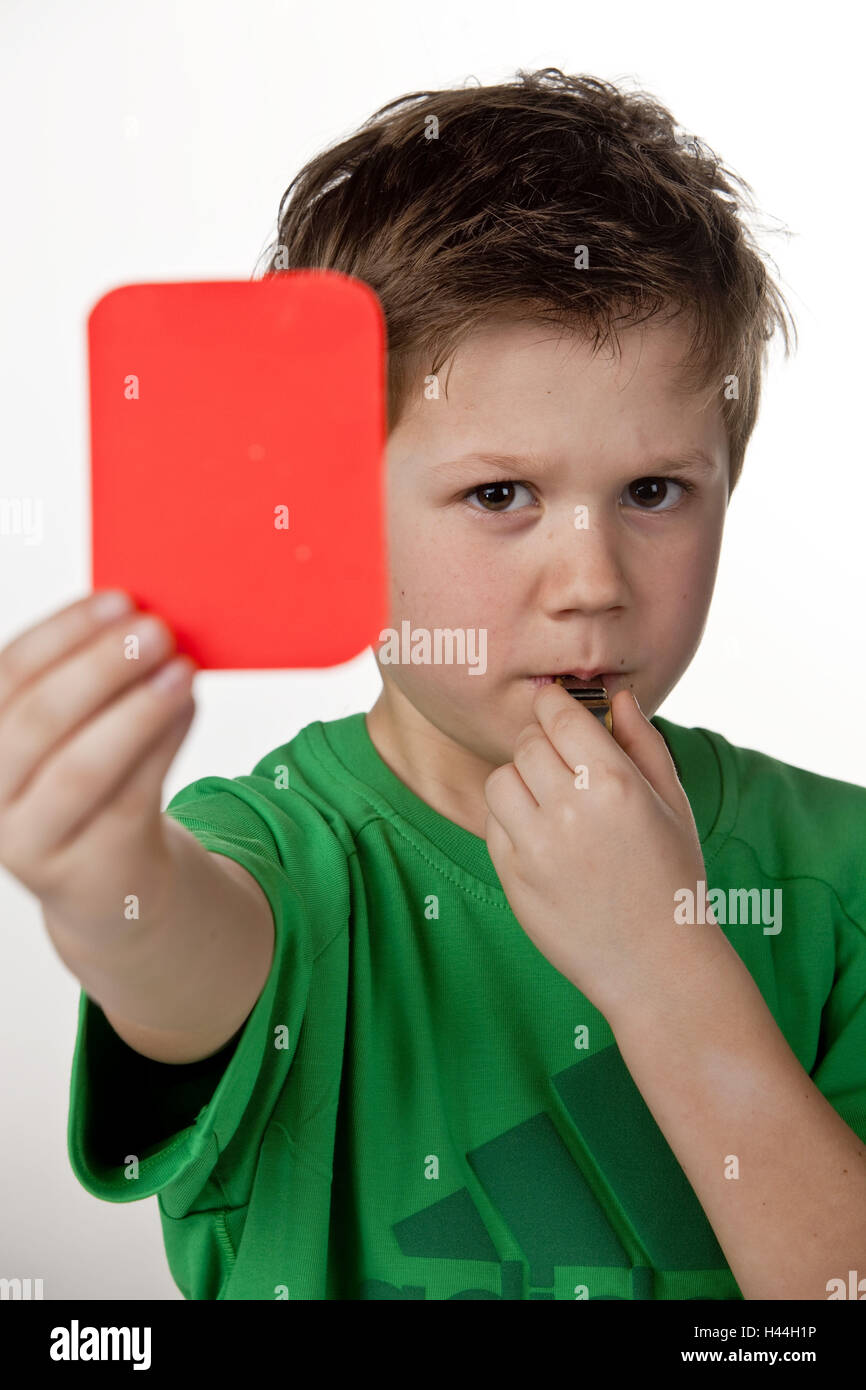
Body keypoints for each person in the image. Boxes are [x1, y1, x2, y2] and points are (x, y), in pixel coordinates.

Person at [4, 69, 865, 1301]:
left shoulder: (836, 868)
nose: (590, 579)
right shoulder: (279, 854)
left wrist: (662, 966)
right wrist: (100, 879)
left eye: (653, 491)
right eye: (499, 494)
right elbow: (174, 949)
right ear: (336, 515)